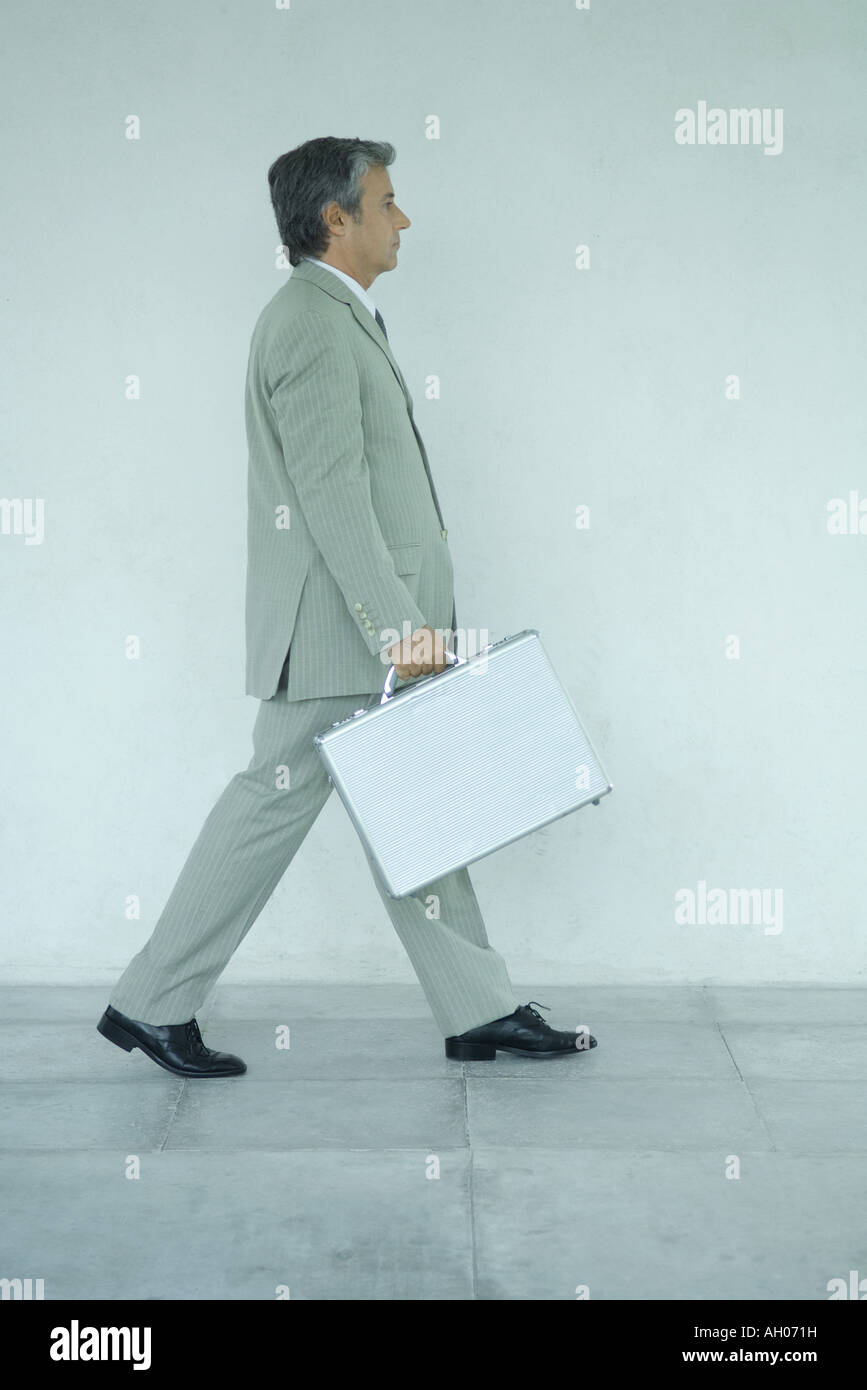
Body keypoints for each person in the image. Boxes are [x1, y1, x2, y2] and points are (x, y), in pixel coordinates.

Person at [97, 136, 596, 1077]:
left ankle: (477, 1007)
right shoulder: (312, 323)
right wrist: (397, 626)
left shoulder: (336, 316)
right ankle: (149, 1003)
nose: (402, 220)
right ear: (337, 219)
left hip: (363, 629)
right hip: (341, 636)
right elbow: (330, 493)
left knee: (420, 804)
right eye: (388, 202)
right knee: (269, 808)